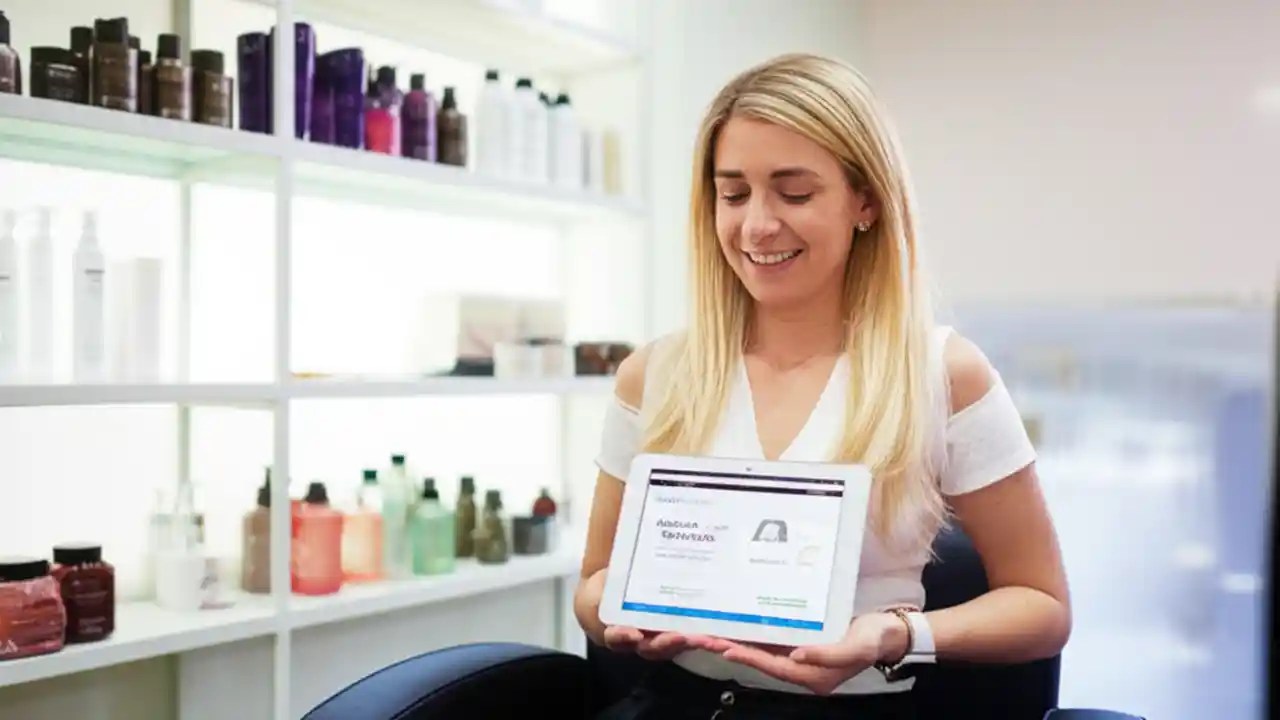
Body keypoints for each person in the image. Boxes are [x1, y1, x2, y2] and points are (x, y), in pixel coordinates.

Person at [574, 53, 1070, 720]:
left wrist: (897, 635)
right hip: (678, 704)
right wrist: (618, 619)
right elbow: (592, 584)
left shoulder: (944, 376)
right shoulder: (655, 374)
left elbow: (1043, 607)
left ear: (865, 201)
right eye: (734, 193)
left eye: (795, 193)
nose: (756, 226)